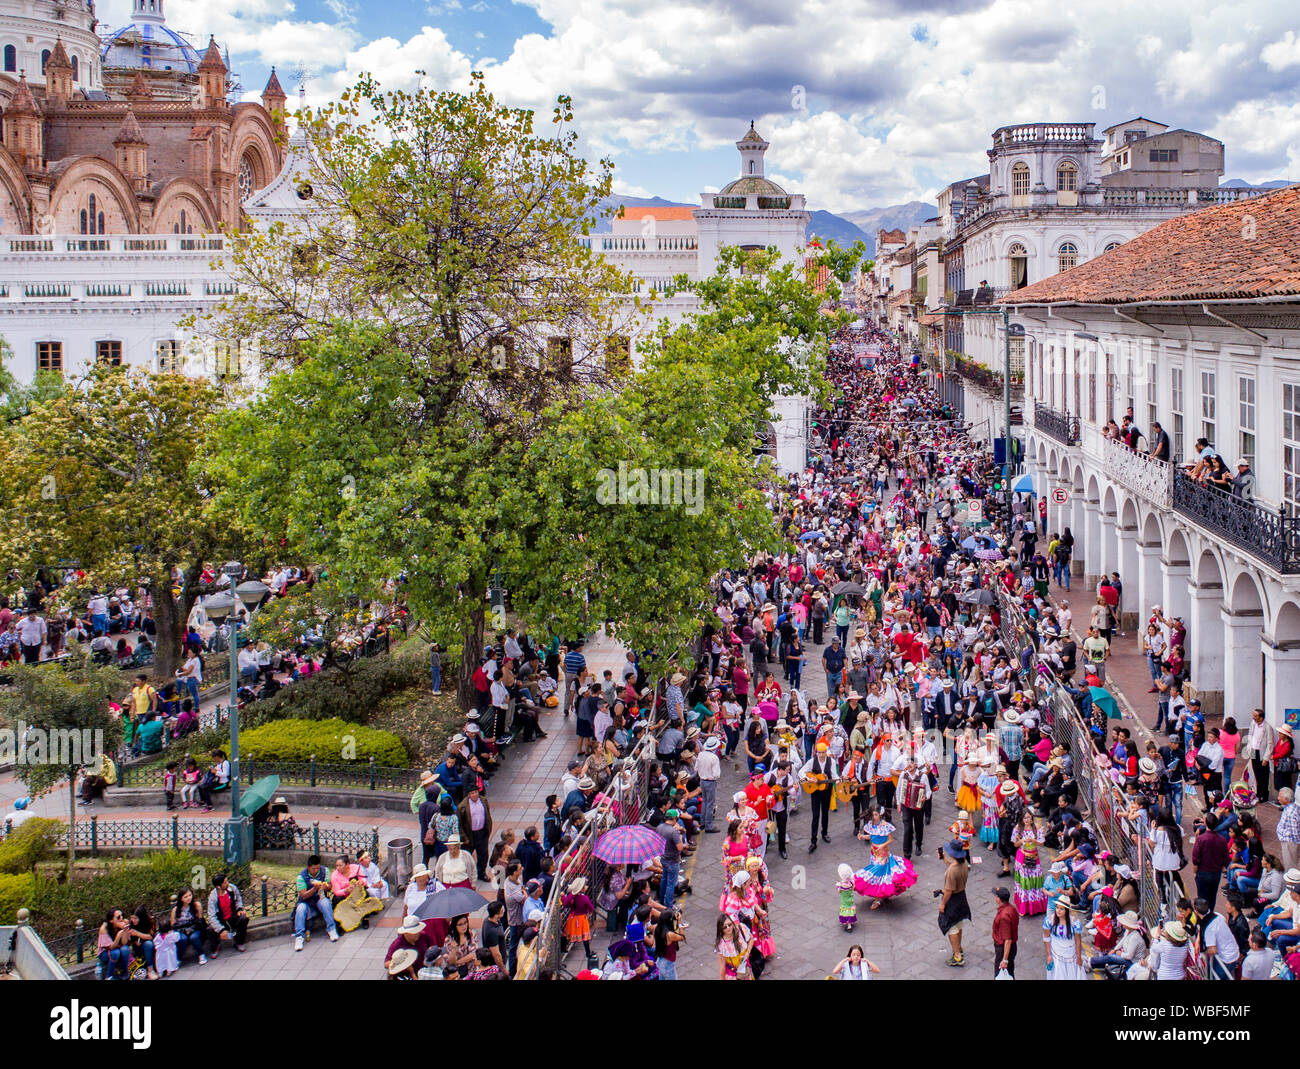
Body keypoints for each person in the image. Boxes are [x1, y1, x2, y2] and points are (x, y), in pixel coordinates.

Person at [293, 854, 340, 951]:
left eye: (318, 868)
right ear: (308, 867)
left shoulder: (325, 871)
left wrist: (324, 886)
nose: (316, 871)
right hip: (307, 902)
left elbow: (329, 887)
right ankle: (299, 936)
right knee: (300, 909)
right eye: (314, 869)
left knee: (326, 903)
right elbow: (304, 895)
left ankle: (331, 929)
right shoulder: (301, 877)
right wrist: (314, 888)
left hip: (319, 898)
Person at [938, 839, 972, 968]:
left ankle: (957, 955)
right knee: (959, 923)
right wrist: (944, 859)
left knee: (951, 926)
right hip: (962, 897)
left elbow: (948, 891)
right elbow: (952, 866)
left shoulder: (952, 871)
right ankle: (959, 948)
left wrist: (942, 904)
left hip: (953, 900)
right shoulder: (964, 864)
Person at [1042, 896, 1084, 979]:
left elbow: (1078, 941)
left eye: (1061, 909)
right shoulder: (1049, 920)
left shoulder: (1074, 923)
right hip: (1056, 955)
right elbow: (1046, 938)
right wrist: (1049, 955)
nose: (1058, 911)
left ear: (1066, 910)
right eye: (1057, 907)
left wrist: (1079, 957)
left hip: (1071, 956)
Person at [170, 887, 209, 966]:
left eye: (190, 895)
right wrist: (183, 930)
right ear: (181, 899)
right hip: (181, 930)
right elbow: (173, 925)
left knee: (194, 937)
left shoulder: (196, 905)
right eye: (185, 897)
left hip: (195, 928)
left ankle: (201, 955)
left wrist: (191, 929)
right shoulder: (176, 909)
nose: (189, 898)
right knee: (183, 939)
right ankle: (179, 959)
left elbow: (200, 920)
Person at [715, 913, 754, 980]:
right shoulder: (721, 944)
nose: (728, 928)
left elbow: (751, 939)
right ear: (721, 929)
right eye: (725, 927)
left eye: (729, 925)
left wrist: (747, 952)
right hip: (733, 976)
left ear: (732, 922)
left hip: (746, 970)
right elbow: (722, 967)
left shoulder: (742, 929)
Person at [991, 886, 1019, 978]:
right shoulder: (1012, 908)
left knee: (1001, 975)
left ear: (999, 899)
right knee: (1009, 973)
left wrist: (1004, 960)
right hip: (1011, 948)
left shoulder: (1004, 916)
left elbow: (1008, 940)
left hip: (1003, 949)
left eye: (996, 896)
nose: (995, 898)